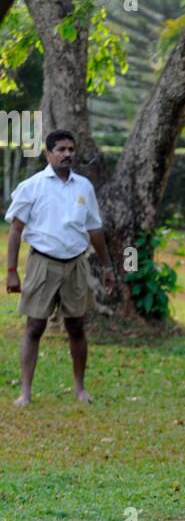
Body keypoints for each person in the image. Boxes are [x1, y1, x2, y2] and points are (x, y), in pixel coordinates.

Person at [4, 129, 116, 405]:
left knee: (76, 326)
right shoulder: (32, 186)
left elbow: (95, 230)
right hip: (42, 263)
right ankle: (25, 392)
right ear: (48, 153)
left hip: (76, 264)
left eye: (71, 149)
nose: (67, 154)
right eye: (61, 149)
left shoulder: (84, 187)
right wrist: (11, 271)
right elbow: (16, 230)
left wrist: (107, 266)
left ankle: (80, 388)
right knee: (34, 327)